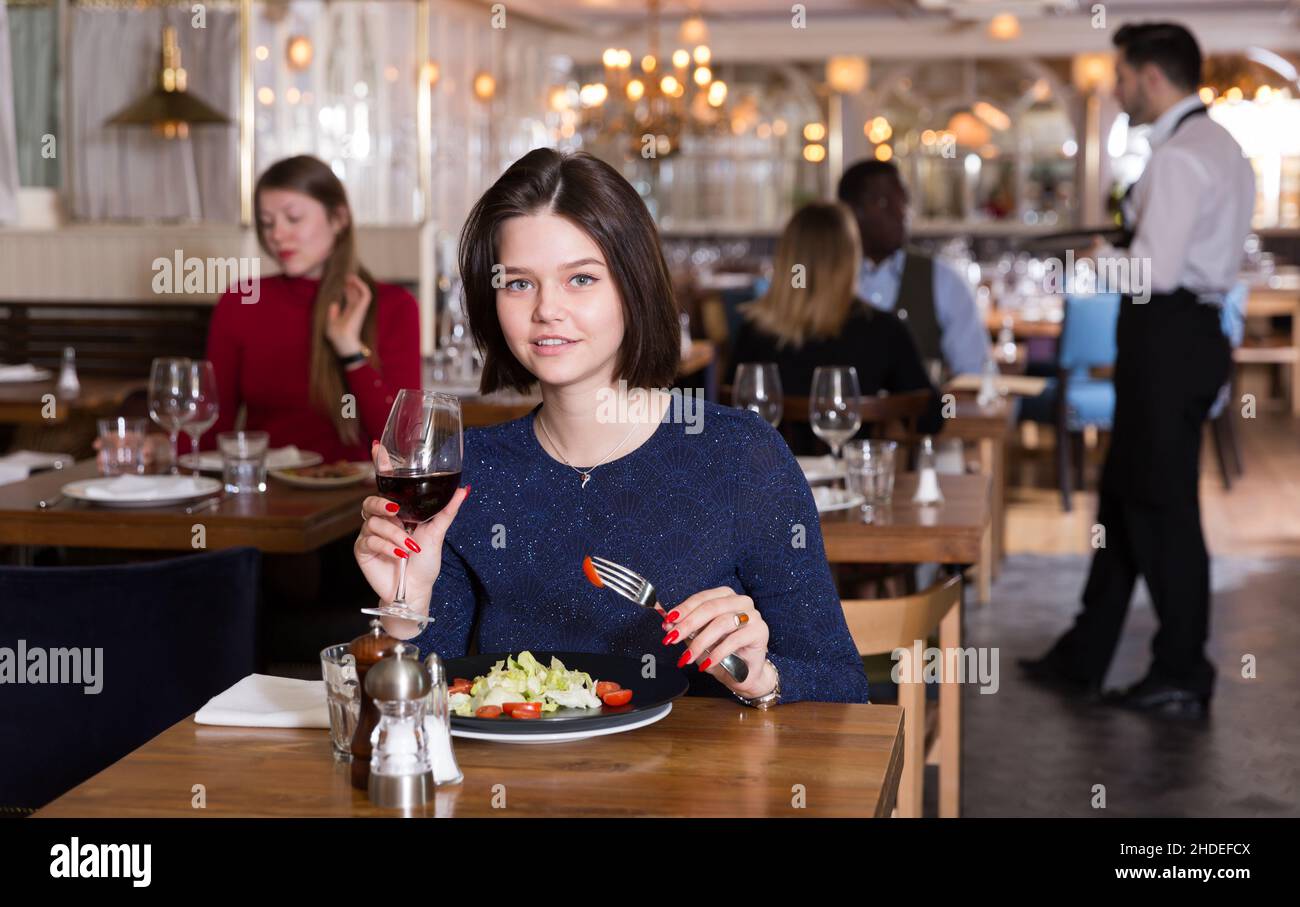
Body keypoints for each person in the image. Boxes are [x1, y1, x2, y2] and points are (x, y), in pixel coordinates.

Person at [353, 148, 870, 706]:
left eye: (580, 278)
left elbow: (844, 692)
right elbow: (427, 714)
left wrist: (762, 678)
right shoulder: (468, 475)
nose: (547, 309)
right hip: (515, 791)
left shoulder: (740, 455)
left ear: (633, 285)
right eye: (519, 284)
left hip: (694, 790)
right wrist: (405, 609)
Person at [1020, 22, 1254, 718]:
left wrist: (1093, 260)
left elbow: (1153, 270)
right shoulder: (1218, 146)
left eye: (1121, 76)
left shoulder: (1181, 156)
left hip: (1168, 336)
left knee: (1163, 509)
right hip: (1187, 335)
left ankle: (1183, 669)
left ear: (1152, 76)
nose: (1116, 90)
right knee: (1126, 501)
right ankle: (1083, 656)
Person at [190, 154, 421, 461]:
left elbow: (402, 444)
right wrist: (162, 450)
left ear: (338, 219)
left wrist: (350, 351)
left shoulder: (395, 306)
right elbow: (213, 427)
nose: (276, 234)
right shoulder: (241, 302)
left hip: (361, 500)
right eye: (267, 223)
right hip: (265, 494)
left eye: (293, 219)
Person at [732, 200, 943, 452]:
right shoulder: (883, 331)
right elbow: (931, 418)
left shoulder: (753, 331)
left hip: (770, 486)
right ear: (850, 259)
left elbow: (731, 422)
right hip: (851, 485)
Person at [837, 159, 989, 379]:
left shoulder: (942, 281)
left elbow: (975, 375)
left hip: (920, 414)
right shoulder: (823, 279)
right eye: (883, 203)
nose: (900, 213)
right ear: (849, 212)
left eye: (902, 202)